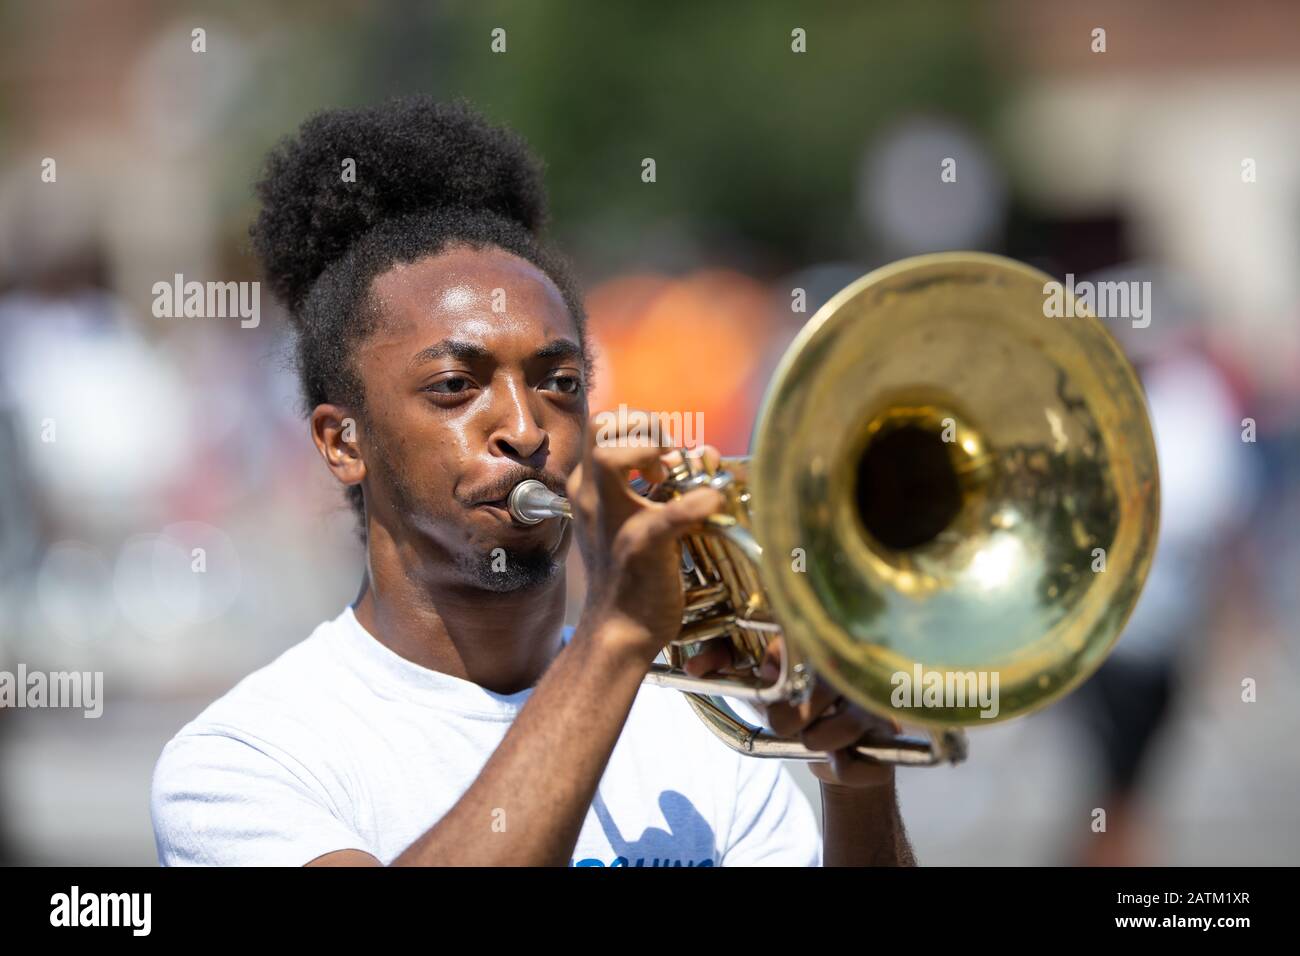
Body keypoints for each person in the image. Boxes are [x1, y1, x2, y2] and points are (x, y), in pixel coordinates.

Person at [150, 96, 913, 867]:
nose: (525, 426)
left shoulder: (703, 724)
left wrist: (856, 786)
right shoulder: (242, 760)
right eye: (455, 386)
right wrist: (617, 637)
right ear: (342, 442)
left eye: (559, 382)